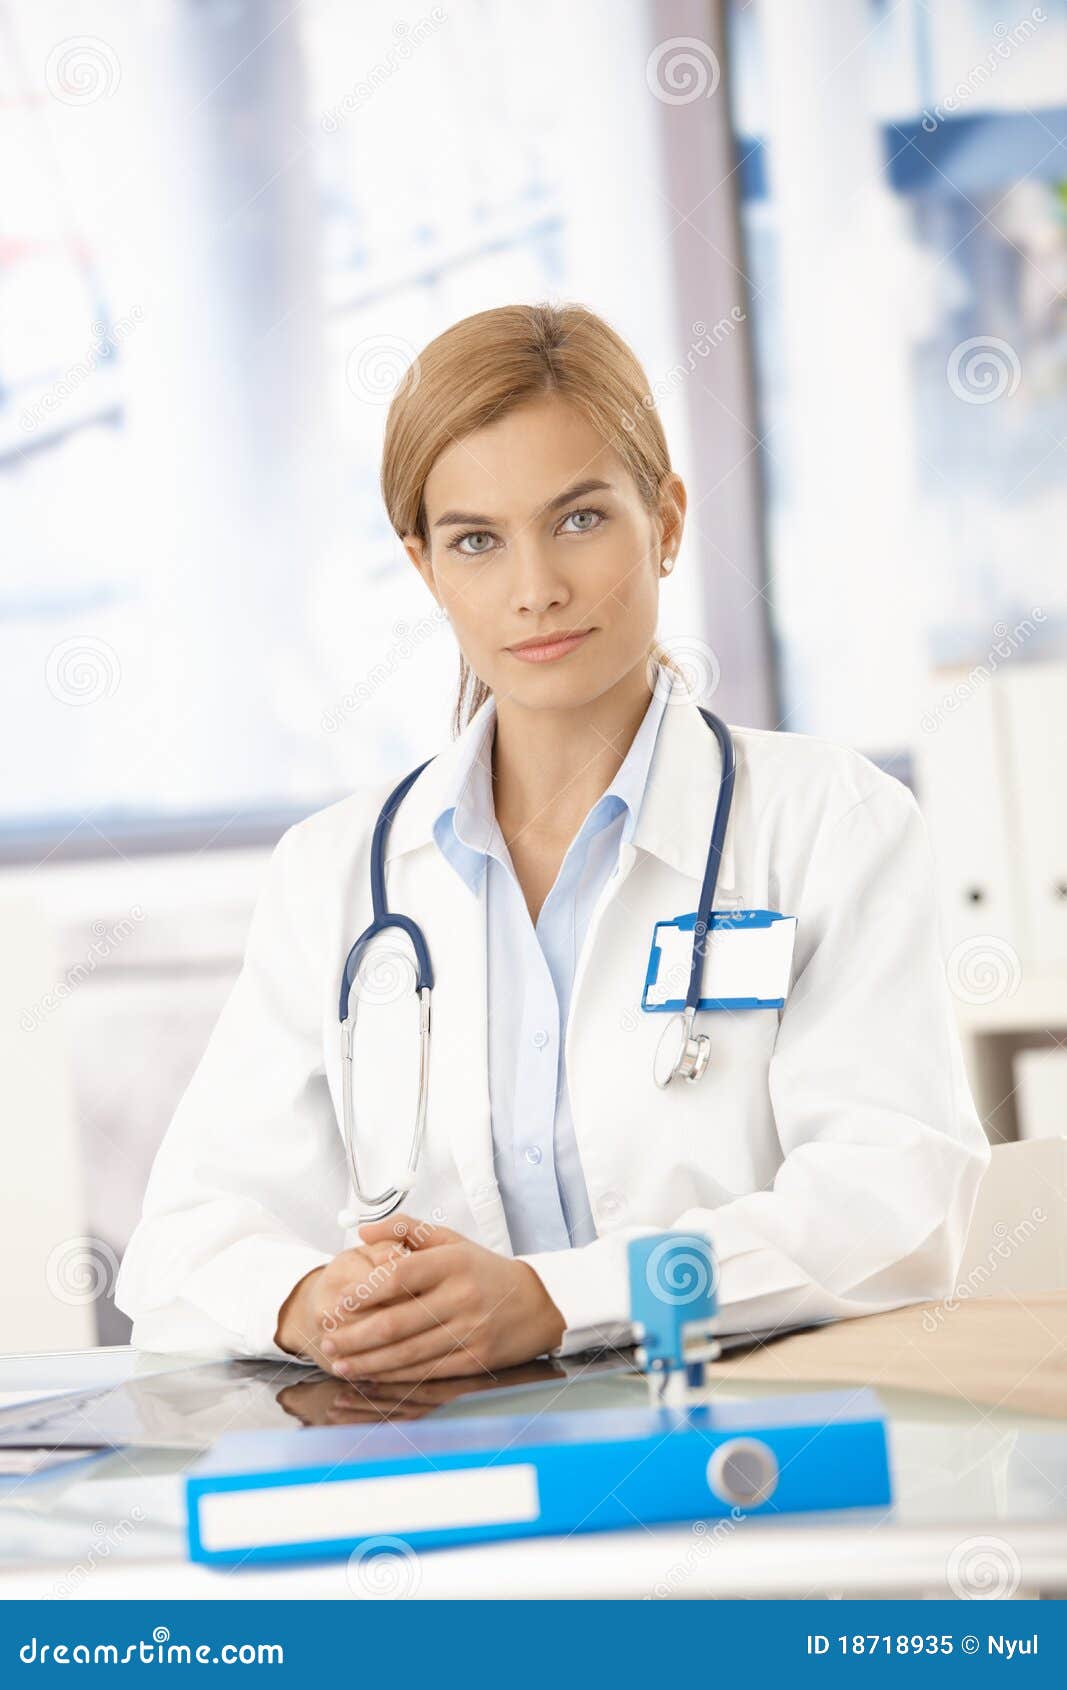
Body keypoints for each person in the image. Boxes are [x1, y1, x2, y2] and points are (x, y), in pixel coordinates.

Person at [115, 301, 990, 1381]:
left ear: (664, 521)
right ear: (425, 566)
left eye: (579, 519)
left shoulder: (828, 826)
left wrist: (554, 1299)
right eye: (475, 540)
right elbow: (184, 1240)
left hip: (760, 1464)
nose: (534, 589)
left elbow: (890, 1205)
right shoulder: (333, 876)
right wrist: (309, 1300)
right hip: (445, 1483)